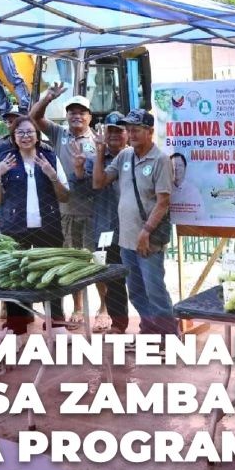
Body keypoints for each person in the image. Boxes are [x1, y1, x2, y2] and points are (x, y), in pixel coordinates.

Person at [93, 109, 176, 348]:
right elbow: (98, 182)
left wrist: (146, 232)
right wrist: (100, 151)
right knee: (136, 291)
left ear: (150, 132)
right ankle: (150, 333)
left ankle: (169, 339)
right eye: (129, 130)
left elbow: (163, 202)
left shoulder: (160, 159)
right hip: (126, 239)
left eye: (136, 129)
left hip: (148, 239)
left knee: (155, 290)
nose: (131, 134)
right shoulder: (125, 156)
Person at [0, 116, 70, 336]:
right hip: (15, 228)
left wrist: (52, 176)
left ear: (37, 135)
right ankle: (17, 327)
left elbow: (64, 196)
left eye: (29, 132)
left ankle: (57, 324)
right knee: (17, 276)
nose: (25, 136)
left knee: (52, 274)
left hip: (48, 227)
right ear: (13, 137)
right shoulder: (5, 160)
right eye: (20, 133)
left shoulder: (50, 157)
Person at [31, 83, 100, 329]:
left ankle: (104, 308)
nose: (76, 115)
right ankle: (79, 307)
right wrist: (48, 97)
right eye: (72, 111)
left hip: (95, 211)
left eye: (82, 111)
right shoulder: (60, 134)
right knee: (72, 260)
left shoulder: (98, 139)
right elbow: (34, 117)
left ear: (89, 116)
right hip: (67, 210)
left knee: (99, 261)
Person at [80, 112, 130, 334]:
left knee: (141, 280)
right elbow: (88, 190)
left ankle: (153, 325)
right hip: (106, 229)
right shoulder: (95, 160)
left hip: (134, 229)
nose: (114, 135)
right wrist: (84, 166)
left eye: (119, 130)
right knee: (113, 279)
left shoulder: (134, 157)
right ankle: (119, 324)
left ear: (127, 133)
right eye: (110, 130)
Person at [169, 153, 206, 220]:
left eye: (180, 165)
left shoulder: (194, 191)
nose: (176, 168)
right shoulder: (165, 190)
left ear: (185, 168)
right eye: (173, 165)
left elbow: (201, 216)